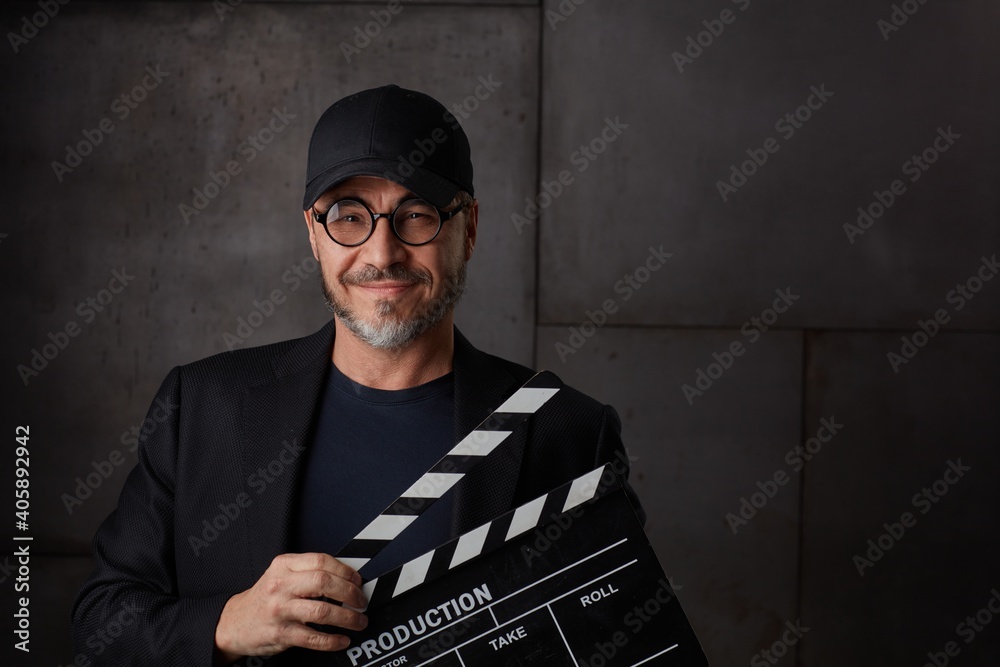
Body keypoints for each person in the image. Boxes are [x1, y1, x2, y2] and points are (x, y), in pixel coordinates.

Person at [72, 84, 644, 666]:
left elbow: (625, 643)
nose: (382, 253)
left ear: (469, 228)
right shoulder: (201, 407)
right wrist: (229, 624)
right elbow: (102, 621)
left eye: (416, 215)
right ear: (313, 233)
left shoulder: (565, 431)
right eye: (349, 217)